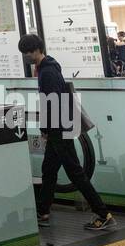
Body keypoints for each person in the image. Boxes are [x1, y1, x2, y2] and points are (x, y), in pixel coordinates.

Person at [20, 33, 116, 231]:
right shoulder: (48, 66)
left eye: (27, 52)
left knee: (75, 172)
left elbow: (52, 103)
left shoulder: (47, 72)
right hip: (60, 126)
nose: (25, 56)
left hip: (59, 128)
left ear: (36, 50)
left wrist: (46, 129)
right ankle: (43, 211)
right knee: (49, 170)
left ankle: (103, 214)